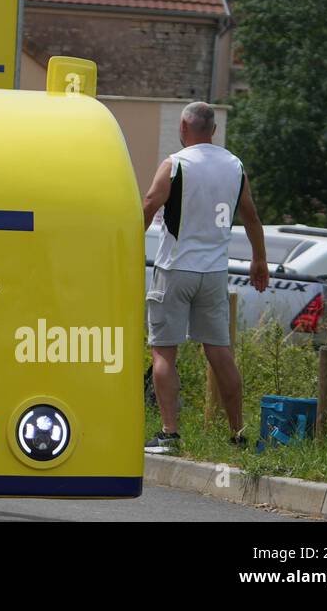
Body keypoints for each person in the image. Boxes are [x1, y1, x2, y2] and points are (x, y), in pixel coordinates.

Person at [141, 102, 269, 453]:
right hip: (214, 272)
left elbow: (150, 203)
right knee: (219, 352)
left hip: (175, 268)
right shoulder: (234, 166)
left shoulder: (175, 164)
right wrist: (259, 260)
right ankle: (238, 434)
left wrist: (125, 243)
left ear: (183, 128)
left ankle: (170, 434)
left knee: (164, 351)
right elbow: (251, 217)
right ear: (213, 130)